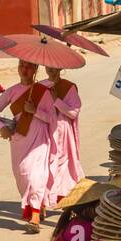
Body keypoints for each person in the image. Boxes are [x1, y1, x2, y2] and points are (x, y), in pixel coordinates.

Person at [0, 60, 56, 233]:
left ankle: (34, 217)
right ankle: (37, 205)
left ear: (35, 69)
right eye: (21, 66)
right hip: (19, 141)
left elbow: (52, 119)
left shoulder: (44, 92)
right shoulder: (11, 91)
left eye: (28, 66)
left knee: (36, 176)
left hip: (39, 140)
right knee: (23, 177)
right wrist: (1, 127)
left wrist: (35, 111)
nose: (24, 70)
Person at [42, 65, 84, 202]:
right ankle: (43, 199)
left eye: (54, 67)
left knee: (61, 165)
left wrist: (56, 101)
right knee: (44, 165)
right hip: (45, 130)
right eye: (48, 66)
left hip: (63, 133)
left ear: (60, 68)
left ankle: (61, 197)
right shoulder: (40, 86)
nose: (51, 69)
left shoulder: (69, 87)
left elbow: (73, 112)